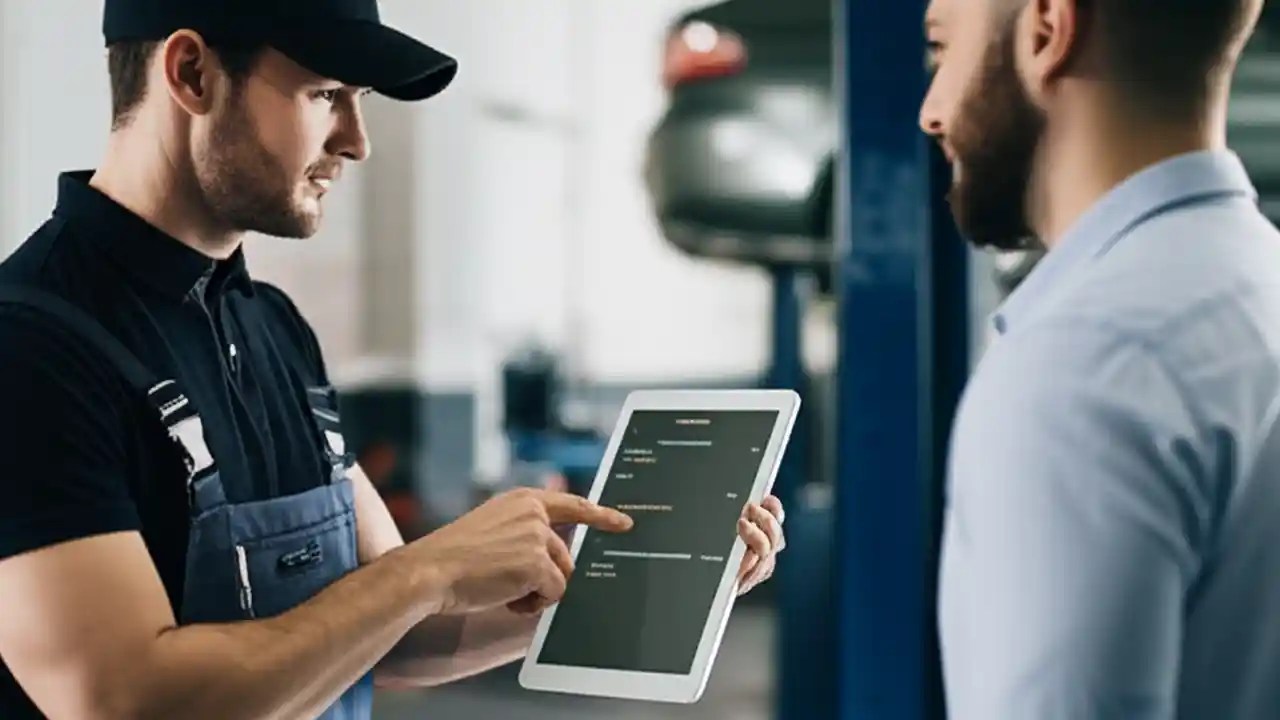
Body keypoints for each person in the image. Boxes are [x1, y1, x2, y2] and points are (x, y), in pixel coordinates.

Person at [0, 1, 788, 718]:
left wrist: (655, 587)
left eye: (359, 101)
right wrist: (430, 569)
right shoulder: (33, 346)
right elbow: (125, 700)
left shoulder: (272, 328)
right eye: (325, 94)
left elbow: (394, 634)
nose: (356, 140)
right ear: (192, 73)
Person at [921, 0, 1279, 717]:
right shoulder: (1260, 284)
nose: (932, 111)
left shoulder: (1079, 371)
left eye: (943, 48)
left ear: (1048, 28)